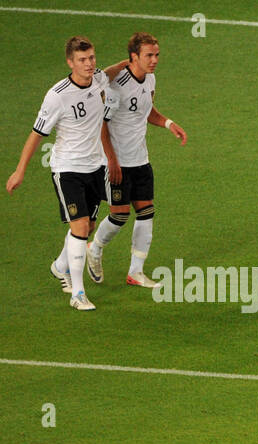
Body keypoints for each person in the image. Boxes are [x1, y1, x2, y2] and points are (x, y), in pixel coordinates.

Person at [6, 37, 110, 312]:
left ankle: (60, 267)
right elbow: (36, 134)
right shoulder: (57, 95)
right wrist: (20, 170)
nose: (89, 64)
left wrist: (135, 64)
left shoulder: (99, 79)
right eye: (82, 60)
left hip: (95, 166)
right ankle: (77, 293)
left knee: (87, 227)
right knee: (79, 227)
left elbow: (112, 71)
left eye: (91, 58)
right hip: (67, 169)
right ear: (70, 62)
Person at [89, 32, 187, 289]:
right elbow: (101, 125)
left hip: (140, 159)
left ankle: (136, 272)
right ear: (134, 57)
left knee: (146, 212)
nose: (154, 60)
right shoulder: (115, 86)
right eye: (149, 55)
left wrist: (168, 123)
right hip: (117, 161)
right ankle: (95, 248)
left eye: (156, 55)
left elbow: (146, 111)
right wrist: (111, 161)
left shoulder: (151, 79)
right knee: (119, 216)